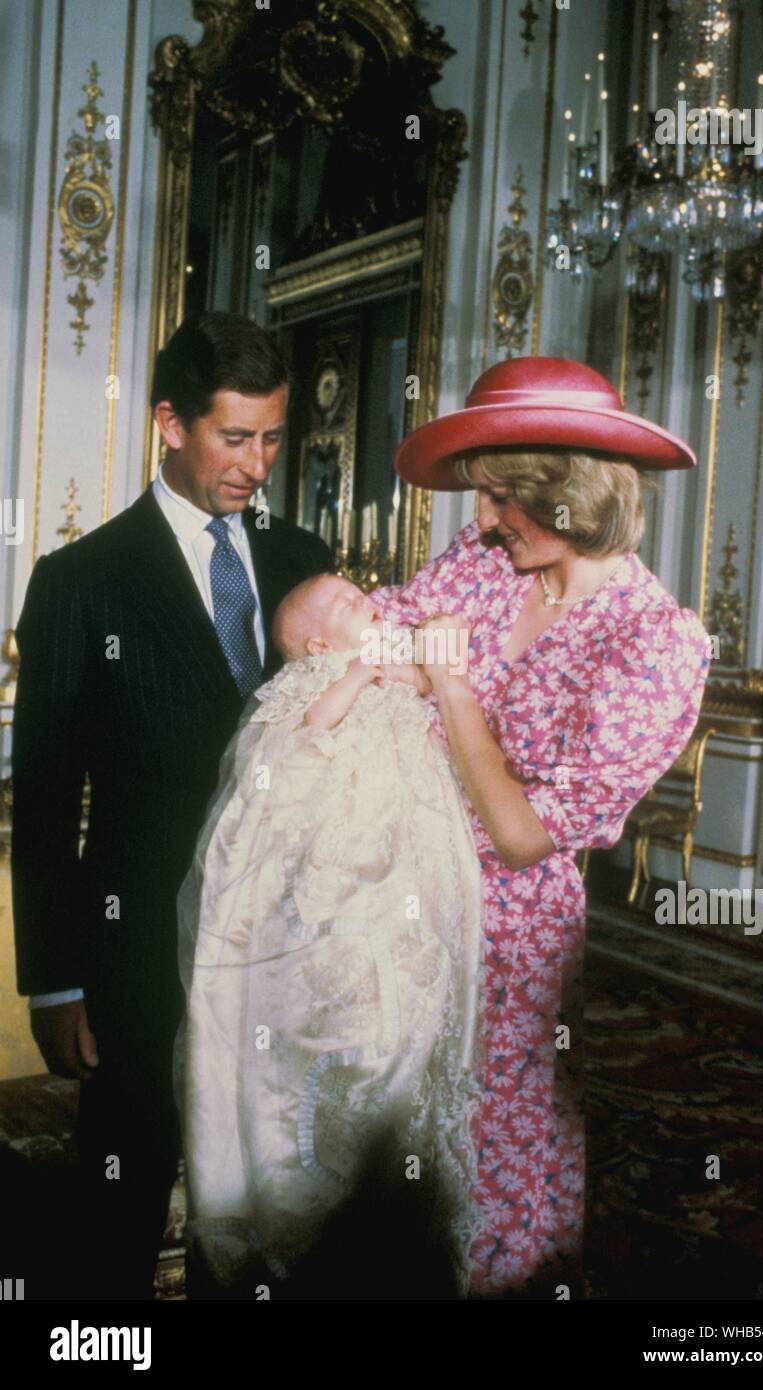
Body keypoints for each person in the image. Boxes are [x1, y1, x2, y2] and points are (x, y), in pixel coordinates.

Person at [368, 355, 711, 1298]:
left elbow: (522, 837)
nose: (478, 522)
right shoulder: (484, 567)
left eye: (501, 498)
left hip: (510, 938)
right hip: (400, 903)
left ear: (570, 492)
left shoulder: (652, 642)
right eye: (481, 498)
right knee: (387, 1145)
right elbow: (371, 630)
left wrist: (447, 687)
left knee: (495, 1158)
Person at [11, 310, 333, 1300]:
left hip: (286, 943)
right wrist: (55, 982)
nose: (257, 463)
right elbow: (47, 797)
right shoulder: (81, 583)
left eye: (273, 437)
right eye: (235, 437)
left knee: (273, 1188)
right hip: (138, 943)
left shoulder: (302, 559)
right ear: (168, 423)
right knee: (123, 1184)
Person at [175, 573, 485, 1298]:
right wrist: (358, 673)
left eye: (361, 594)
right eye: (345, 604)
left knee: (413, 999)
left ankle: (398, 1208)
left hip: (405, 845)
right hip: (336, 855)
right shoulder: (319, 675)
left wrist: (429, 658)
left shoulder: (388, 648)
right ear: (316, 644)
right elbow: (303, 735)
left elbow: (434, 679)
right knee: (338, 993)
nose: (365, 600)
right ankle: (312, 1215)